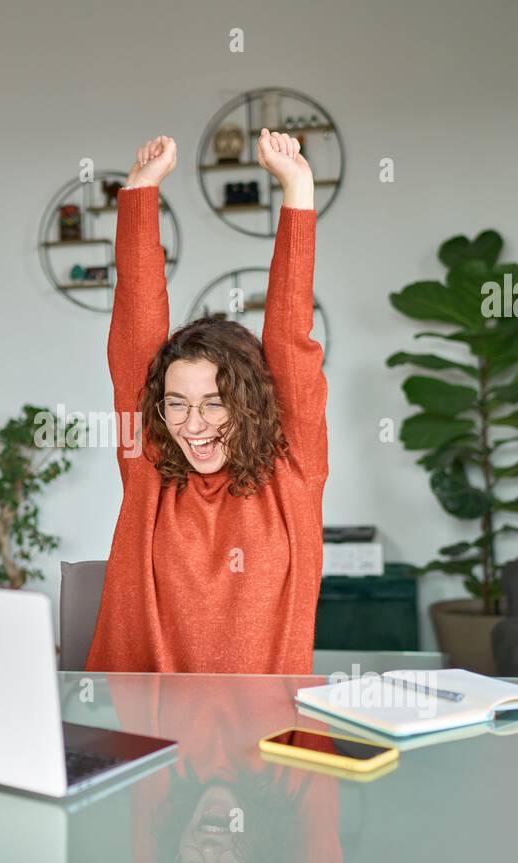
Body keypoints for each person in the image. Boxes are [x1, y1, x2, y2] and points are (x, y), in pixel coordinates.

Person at [85, 130, 326, 674]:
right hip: (146, 738)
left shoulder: (292, 469)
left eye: (215, 404)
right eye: (176, 404)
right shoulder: (149, 468)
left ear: (251, 406)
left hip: (269, 742)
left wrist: (297, 189)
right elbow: (134, 334)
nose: (192, 425)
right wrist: (141, 193)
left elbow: (290, 334)